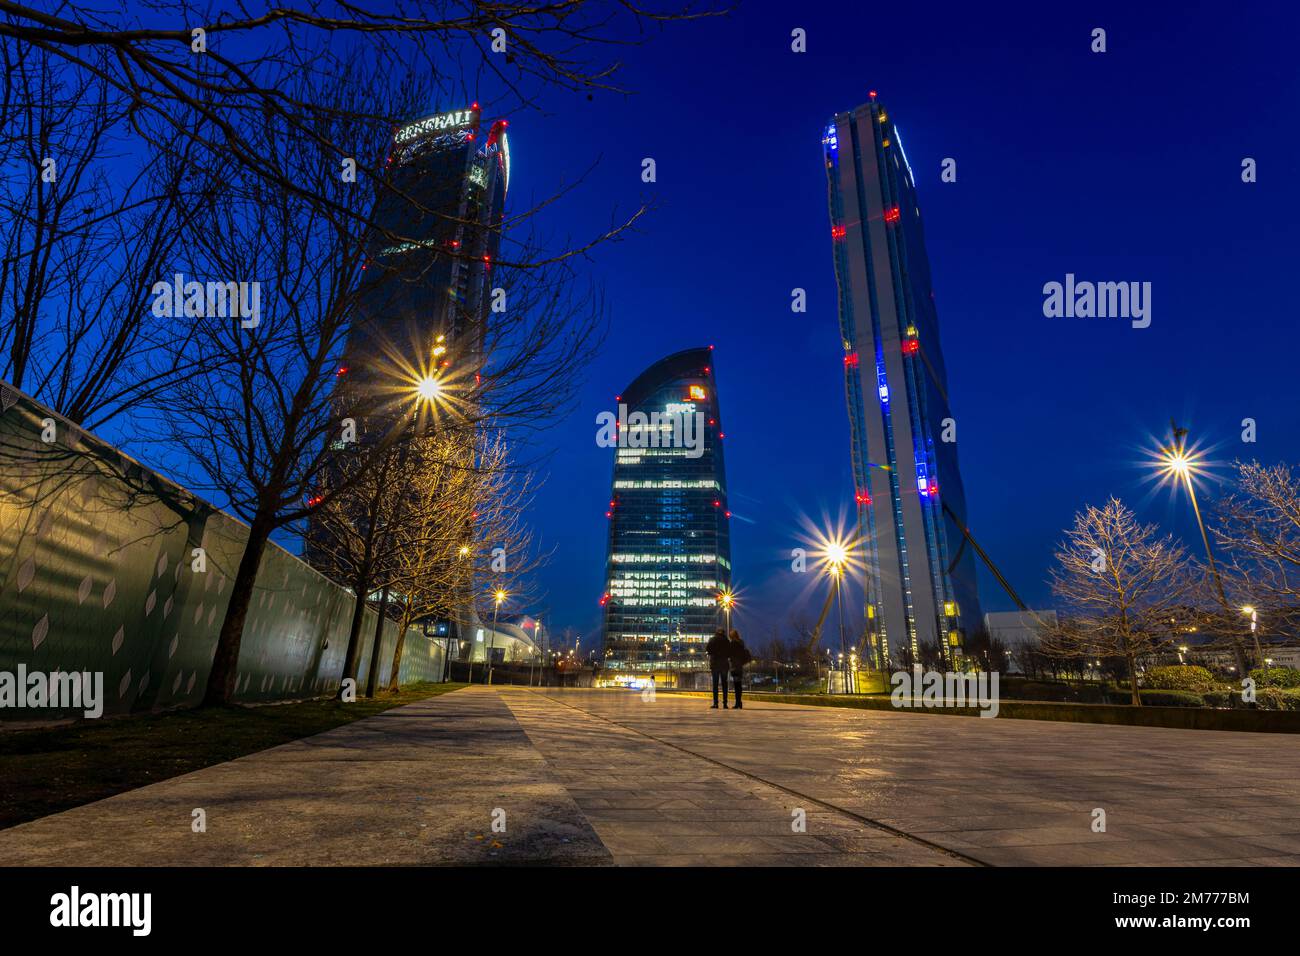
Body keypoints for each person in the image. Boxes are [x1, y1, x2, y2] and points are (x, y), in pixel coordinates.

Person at [706, 628, 731, 708]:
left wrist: (713, 653)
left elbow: (708, 649)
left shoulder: (712, 640)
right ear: (723, 633)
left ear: (716, 632)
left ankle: (716, 703)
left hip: (715, 664)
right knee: (724, 684)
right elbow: (729, 652)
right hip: (724, 664)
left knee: (715, 684)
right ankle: (725, 703)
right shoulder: (727, 641)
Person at [727, 628, 752, 709]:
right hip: (740, 666)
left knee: (736, 685)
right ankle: (739, 702)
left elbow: (729, 654)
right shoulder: (741, 643)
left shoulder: (732, 644)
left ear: (731, 636)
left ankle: (738, 703)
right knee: (739, 685)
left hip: (735, 666)